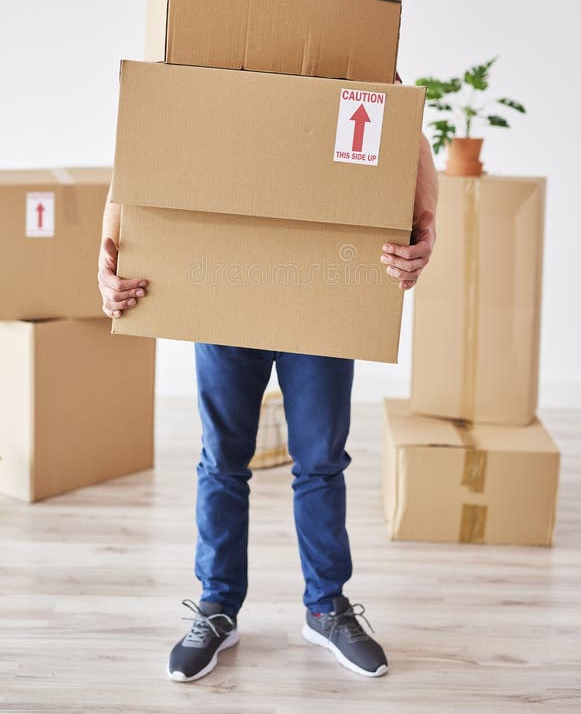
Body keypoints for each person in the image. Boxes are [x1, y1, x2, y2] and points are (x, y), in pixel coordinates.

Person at [98, 131, 438, 681]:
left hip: (323, 288)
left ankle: (327, 608)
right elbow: (145, 140)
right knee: (222, 459)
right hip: (223, 285)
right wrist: (109, 245)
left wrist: (427, 222)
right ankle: (217, 607)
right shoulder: (199, 44)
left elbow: (406, 134)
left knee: (322, 460)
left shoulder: (351, 46)